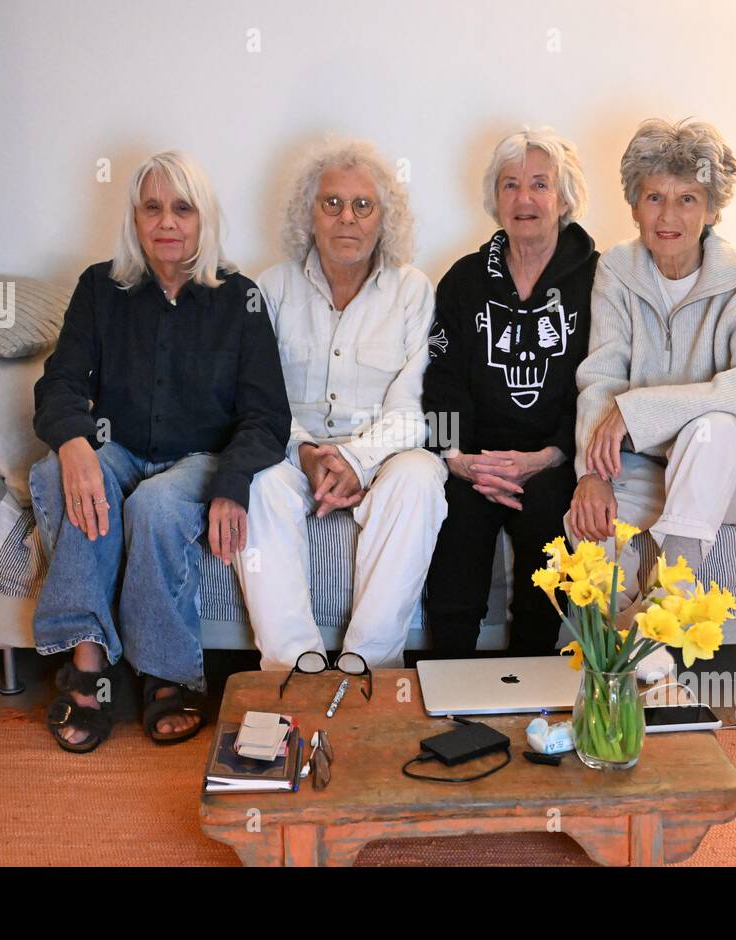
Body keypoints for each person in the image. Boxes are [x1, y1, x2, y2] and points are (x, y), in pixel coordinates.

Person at [30, 150, 290, 752]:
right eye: (153, 208)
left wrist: (232, 483)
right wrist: (72, 442)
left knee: (153, 505)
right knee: (51, 475)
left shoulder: (240, 299)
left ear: (204, 220)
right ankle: (90, 665)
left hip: (197, 458)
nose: (167, 222)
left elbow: (266, 415)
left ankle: (165, 673)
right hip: (114, 444)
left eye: (182, 209)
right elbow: (62, 381)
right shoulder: (100, 288)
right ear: (135, 218)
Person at [569, 117, 736, 622]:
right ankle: (610, 670)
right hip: (655, 466)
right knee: (586, 523)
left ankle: (665, 610)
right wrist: (591, 473)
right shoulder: (616, 270)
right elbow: (601, 377)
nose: (668, 215)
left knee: (710, 431)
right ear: (633, 206)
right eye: (654, 198)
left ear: (713, 208)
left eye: (688, 199)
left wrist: (641, 410)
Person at [235, 138, 446, 670]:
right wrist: (306, 452)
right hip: (292, 454)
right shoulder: (272, 288)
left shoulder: (413, 292)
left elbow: (415, 408)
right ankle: (293, 668)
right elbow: (257, 398)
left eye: (362, 205)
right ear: (310, 214)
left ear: (383, 218)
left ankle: (365, 668)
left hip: (381, 458)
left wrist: (354, 460)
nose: (346, 218)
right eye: (332, 203)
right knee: (256, 482)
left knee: (421, 476)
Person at [422, 127, 598, 657]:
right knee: (456, 512)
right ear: (494, 200)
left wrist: (550, 454)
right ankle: (449, 673)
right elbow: (441, 374)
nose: (525, 199)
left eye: (540, 185)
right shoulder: (464, 280)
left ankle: (532, 672)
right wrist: (457, 457)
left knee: (549, 513)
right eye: (510, 185)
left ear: (565, 198)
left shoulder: (600, 279)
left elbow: (603, 376)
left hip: (553, 454)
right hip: (475, 457)